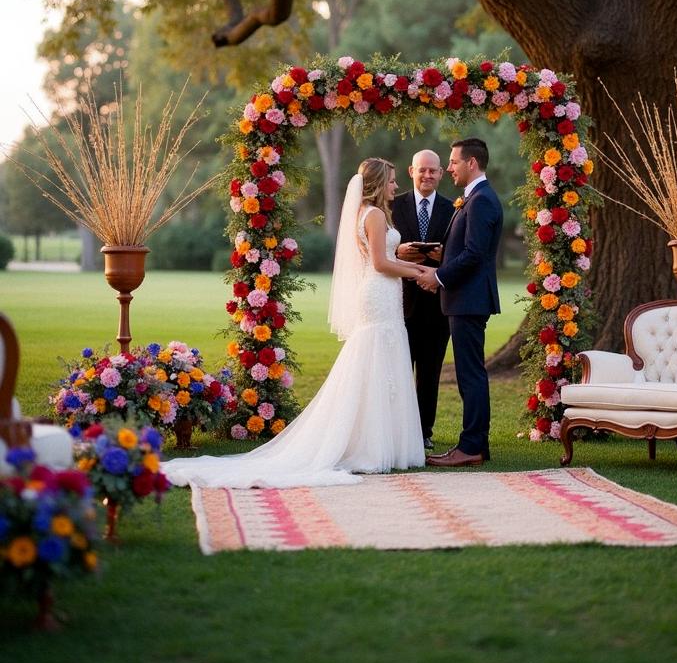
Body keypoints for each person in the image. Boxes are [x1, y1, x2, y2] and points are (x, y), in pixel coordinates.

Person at [163, 158, 431, 489]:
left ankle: (379, 442)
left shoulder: (368, 214)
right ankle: (371, 447)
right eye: (391, 181)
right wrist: (419, 271)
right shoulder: (374, 214)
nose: (395, 186)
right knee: (376, 360)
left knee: (380, 363)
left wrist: (403, 258)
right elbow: (378, 263)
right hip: (378, 294)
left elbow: (381, 257)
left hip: (383, 294)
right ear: (377, 184)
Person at [417, 138, 502, 468]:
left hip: (469, 299)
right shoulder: (474, 198)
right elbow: (465, 249)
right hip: (465, 298)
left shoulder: (481, 201)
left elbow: (475, 254)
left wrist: (437, 278)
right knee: (471, 374)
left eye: (453, 162)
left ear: (472, 164)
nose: (448, 168)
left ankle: (471, 447)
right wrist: (440, 258)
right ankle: (475, 443)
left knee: (470, 375)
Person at [392, 148, 454, 451]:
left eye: (433, 171)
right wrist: (398, 252)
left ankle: (423, 432)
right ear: (411, 171)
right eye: (422, 170)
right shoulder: (392, 205)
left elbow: (461, 253)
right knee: (397, 371)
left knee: (429, 373)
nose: (427, 175)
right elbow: (375, 248)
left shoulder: (453, 208)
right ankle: (395, 430)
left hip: (438, 303)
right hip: (399, 303)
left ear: (441, 173)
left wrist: (445, 257)